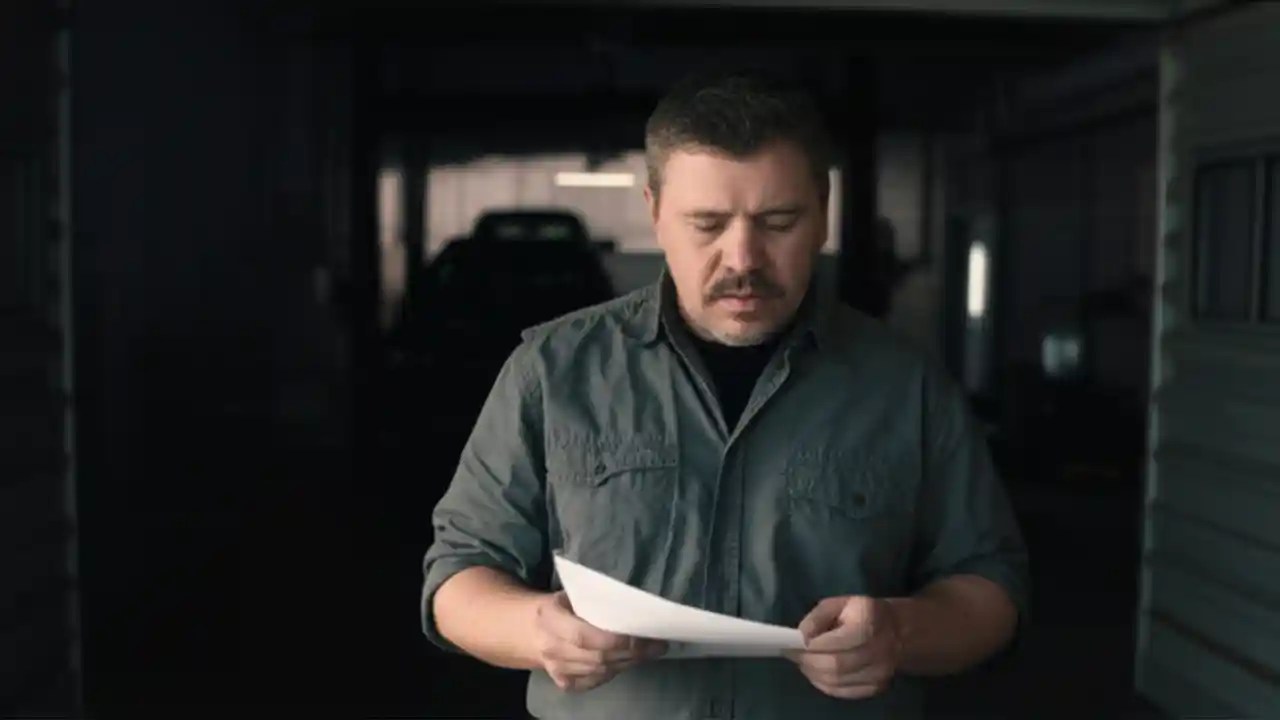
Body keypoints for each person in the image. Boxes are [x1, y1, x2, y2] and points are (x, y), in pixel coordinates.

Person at [421, 67, 1029, 719]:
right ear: (655, 214)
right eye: (707, 224)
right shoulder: (550, 371)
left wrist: (902, 633)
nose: (743, 259)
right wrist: (535, 629)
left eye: (778, 221)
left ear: (823, 212)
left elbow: (991, 588)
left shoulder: (906, 385)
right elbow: (458, 576)